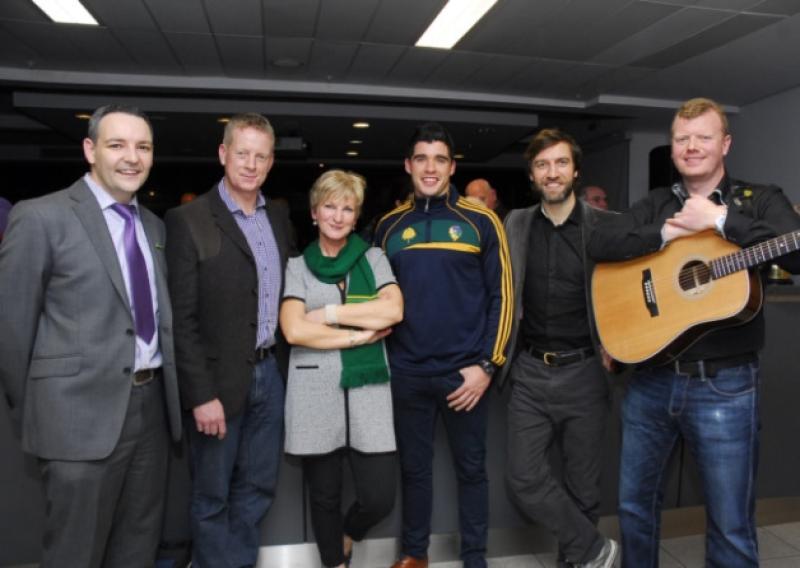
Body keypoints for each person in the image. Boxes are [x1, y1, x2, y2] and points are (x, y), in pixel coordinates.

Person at [587, 97, 800, 567]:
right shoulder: (659, 202)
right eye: (682, 138)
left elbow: (796, 253)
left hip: (725, 386)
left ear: (725, 143)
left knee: (730, 523)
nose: (691, 147)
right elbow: (600, 240)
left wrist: (720, 221)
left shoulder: (761, 199)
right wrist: (662, 235)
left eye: (703, 137)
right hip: (650, 381)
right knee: (635, 510)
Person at [0, 104, 182, 567]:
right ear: (90, 150)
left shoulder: (154, 226)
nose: (132, 157)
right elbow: (12, 327)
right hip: (75, 421)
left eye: (143, 147)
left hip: (151, 413)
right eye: (117, 144)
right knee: (74, 553)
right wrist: (41, 415)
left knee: (137, 547)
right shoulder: (41, 217)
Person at [374, 123, 513, 568]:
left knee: (471, 472)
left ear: (452, 167)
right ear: (408, 165)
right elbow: (376, 297)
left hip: (464, 375)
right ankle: (415, 554)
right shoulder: (388, 226)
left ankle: (475, 559)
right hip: (407, 373)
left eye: (439, 159)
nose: (429, 168)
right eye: (421, 158)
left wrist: (487, 366)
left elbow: (504, 297)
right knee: (414, 471)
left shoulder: (481, 220)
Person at [165, 112, 295, 568]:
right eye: (242, 153)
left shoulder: (278, 218)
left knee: (257, 488)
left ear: (271, 162)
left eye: (261, 156)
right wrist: (201, 394)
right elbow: (181, 320)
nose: (250, 164)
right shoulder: (189, 220)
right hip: (218, 385)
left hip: (270, 377)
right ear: (223, 154)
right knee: (212, 495)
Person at [497, 129, 618, 568]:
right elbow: (501, 287)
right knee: (524, 478)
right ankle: (595, 549)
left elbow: (626, 291)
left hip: (586, 371)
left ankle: (579, 559)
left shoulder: (605, 224)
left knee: (584, 489)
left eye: (561, 163)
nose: (553, 173)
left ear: (576, 170)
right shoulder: (516, 223)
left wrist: (616, 343)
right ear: (533, 174)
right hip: (528, 371)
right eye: (543, 165)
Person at [280, 169, 404, 568]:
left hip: (369, 393)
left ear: (356, 216)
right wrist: (356, 336)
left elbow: (394, 309)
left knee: (379, 496)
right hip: (314, 394)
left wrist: (330, 313)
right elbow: (294, 329)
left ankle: (349, 534)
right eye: (330, 207)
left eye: (347, 208)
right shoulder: (297, 265)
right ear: (314, 213)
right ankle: (334, 562)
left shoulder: (374, 257)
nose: (337, 216)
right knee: (324, 496)